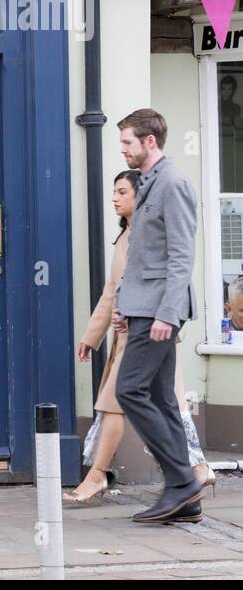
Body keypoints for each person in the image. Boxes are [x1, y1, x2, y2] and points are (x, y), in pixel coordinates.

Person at [69, 170, 215, 505]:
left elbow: (168, 279)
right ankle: (197, 469)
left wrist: (135, 316)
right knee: (165, 409)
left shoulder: (146, 237)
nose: (115, 198)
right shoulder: (126, 237)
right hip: (130, 334)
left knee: (116, 404)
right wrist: (93, 336)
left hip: (147, 334)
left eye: (122, 191)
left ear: (140, 196)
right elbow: (112, 290)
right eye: (114, 192)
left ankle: (97, 476)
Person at [112, 108, 210, 524]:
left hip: (159, 312)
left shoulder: (172, 183)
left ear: (150, 141)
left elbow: (181, 256)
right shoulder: (148, 182)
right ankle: (188, 501)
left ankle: (182, 481)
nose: (124, 150)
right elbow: (143, 256)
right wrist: (123, 302)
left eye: (128, 143)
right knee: (160, 397)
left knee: (129, 390)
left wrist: (165, 314)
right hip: (143, 307)